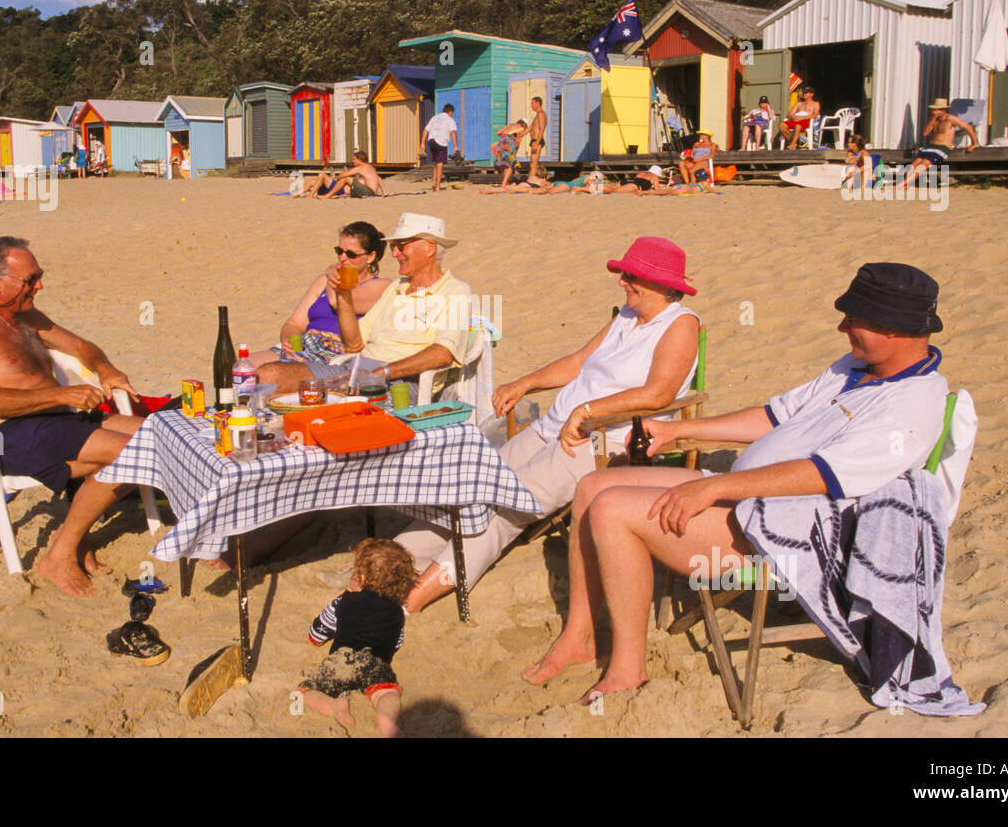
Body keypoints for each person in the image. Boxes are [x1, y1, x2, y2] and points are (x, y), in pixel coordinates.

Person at [525, 263, 956, 704]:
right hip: (746, 491)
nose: (841, 326)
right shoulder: (854, 367)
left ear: (895, 328)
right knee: (594, 486)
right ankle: (580, 637)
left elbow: (825, 474)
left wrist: (716, 489)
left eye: (854, 320)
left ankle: (628, 669)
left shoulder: (912, 403)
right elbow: (774, 417)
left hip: (782, 525)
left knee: (612, 509)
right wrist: (674, 432)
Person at [397, 237, 701, 614]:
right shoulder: (627, 315)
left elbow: (659, 393)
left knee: (505, 506)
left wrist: (589, 410)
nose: (622, 281)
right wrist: (525, 383)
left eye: (630, 275)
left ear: (659, 282)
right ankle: (384, 568)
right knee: (469, 487)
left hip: (603, 442)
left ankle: (411, 599)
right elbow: (578, 362)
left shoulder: (680, 324)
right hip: (555, 427)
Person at [0, 237, 144, 596]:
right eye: (31, 279)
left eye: (39, 276)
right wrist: (62, 394)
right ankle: (60, 553)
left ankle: (78, 537)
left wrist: (104, 368)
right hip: (15, 433)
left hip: (58, 422)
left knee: (159, 436)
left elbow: (82, 347)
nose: (40, 286)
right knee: (135, 454)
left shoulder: (24, 317)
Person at [256, 213, 471, 396]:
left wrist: (383, 372)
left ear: (430, 249)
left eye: (401, 246)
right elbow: (353, 344)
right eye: (393, 246)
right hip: (355, 367)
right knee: (269, 375)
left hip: (400, 382)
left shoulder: (455, 291)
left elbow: (444, 353)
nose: (394, 253)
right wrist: (343, 294)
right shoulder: (396, 288)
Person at [297, 538, 418, 737]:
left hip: (341, 662)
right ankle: (385, 717)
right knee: (387, 693)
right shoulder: (397, 612)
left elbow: (319, 631)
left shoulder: (343, 601)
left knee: (303, 692)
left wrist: (313, 638)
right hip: (375, 662)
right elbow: (396, 641)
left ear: (360, 578)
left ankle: (335, 706)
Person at [246, 222, 391, 368]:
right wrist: (289, 340)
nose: (342, 258)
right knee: (242, 365)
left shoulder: (380, 286)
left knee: (272, 373)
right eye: (339, 251)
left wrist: (332, 274)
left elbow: (337, 301)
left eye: (351, 254)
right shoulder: (322, 281)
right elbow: (294, 323)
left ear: (371, 257)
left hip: (336, 351)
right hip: (306, 344)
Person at [897, 98, 977, 192]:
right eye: (935, 109)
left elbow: (969, 128)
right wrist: (933, 118)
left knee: (922, 165)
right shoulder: (934, 120)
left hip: (942, 147)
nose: (936, 111)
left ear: (944, 110)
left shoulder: (950, 119)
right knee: (914, 164)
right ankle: (905, 184)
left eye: (938, 109)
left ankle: (901, 184)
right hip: (930, 146)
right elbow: (925, 133)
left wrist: (974, 143)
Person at [302, 152, 387, 199]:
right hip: (371, 192)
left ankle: (327, 196)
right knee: (314, 181)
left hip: (368, 193)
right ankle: (304, 193)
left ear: (360, 159)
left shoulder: (361, 167)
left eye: (354, 159)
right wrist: (384, 192)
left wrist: (339, 177)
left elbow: (344, 175)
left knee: (346, 179)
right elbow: (378, 178)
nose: (353, 161)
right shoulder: (370, 167)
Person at [421, 104, 459, 192]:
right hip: (440, 142)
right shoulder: (450, 119)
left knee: (436, 161)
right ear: (450, 112)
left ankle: (434, 182)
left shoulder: (434, 117)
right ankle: (437, 187)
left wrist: (422, 143)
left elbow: (425, 130)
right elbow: (453, 132)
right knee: (440, 163)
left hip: (431, 141)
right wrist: (455, 146)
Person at [491, 119, 527, 187]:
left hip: (501, 142)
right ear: (524, 125)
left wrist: (504, 139)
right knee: (510, 165)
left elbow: (498, 132)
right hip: (509, 143)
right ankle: (503, 184)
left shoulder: (510, 125)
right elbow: (517, 143)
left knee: (503, 164)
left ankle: (506, 182)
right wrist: (515, 149)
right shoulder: (521, 129)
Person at [526, 96, 548, 179]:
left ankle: (531, 180)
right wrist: (520, 135)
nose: (531, 106)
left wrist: (537, 143)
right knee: (534, 163)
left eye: (532, 103)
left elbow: (542, 129)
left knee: (533, 163)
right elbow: (531, 127)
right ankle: (539, 178)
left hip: (537, 140)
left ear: (538, 103)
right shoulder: (537, 115)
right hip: (534, 140)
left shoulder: (541, 114)